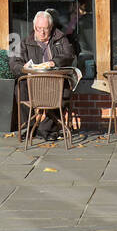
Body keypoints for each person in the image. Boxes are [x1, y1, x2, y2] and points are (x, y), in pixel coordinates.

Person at [11, 9, 78, 140]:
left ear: (51, 27)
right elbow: (14, 62)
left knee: (64, 93)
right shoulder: (25, 42)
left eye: (45, 29)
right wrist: (22, 67)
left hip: (55, 82)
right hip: (33, 83)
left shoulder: (60, 38)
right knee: (20, 88)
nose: (42, 32)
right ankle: (28, 127)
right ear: (34, 27)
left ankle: (46, 129)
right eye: (39, 28)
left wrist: (54, 62)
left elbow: (69, 54)